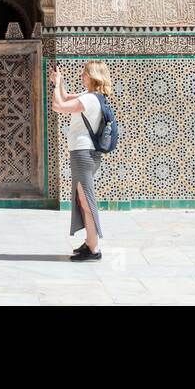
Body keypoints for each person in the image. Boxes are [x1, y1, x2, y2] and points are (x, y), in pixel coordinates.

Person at [51, 61, 112, 262]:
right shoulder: (93, 97)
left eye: (85, 74)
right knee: (82, 198)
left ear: (93, 76)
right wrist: (58, 82)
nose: (82, 77)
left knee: (86, 199)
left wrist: (56, 85)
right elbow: (66, 97)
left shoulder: (90, 100)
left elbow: (58, 106)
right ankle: (90, 242)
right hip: (85, 152)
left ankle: (94, 249)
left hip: (83, 153)